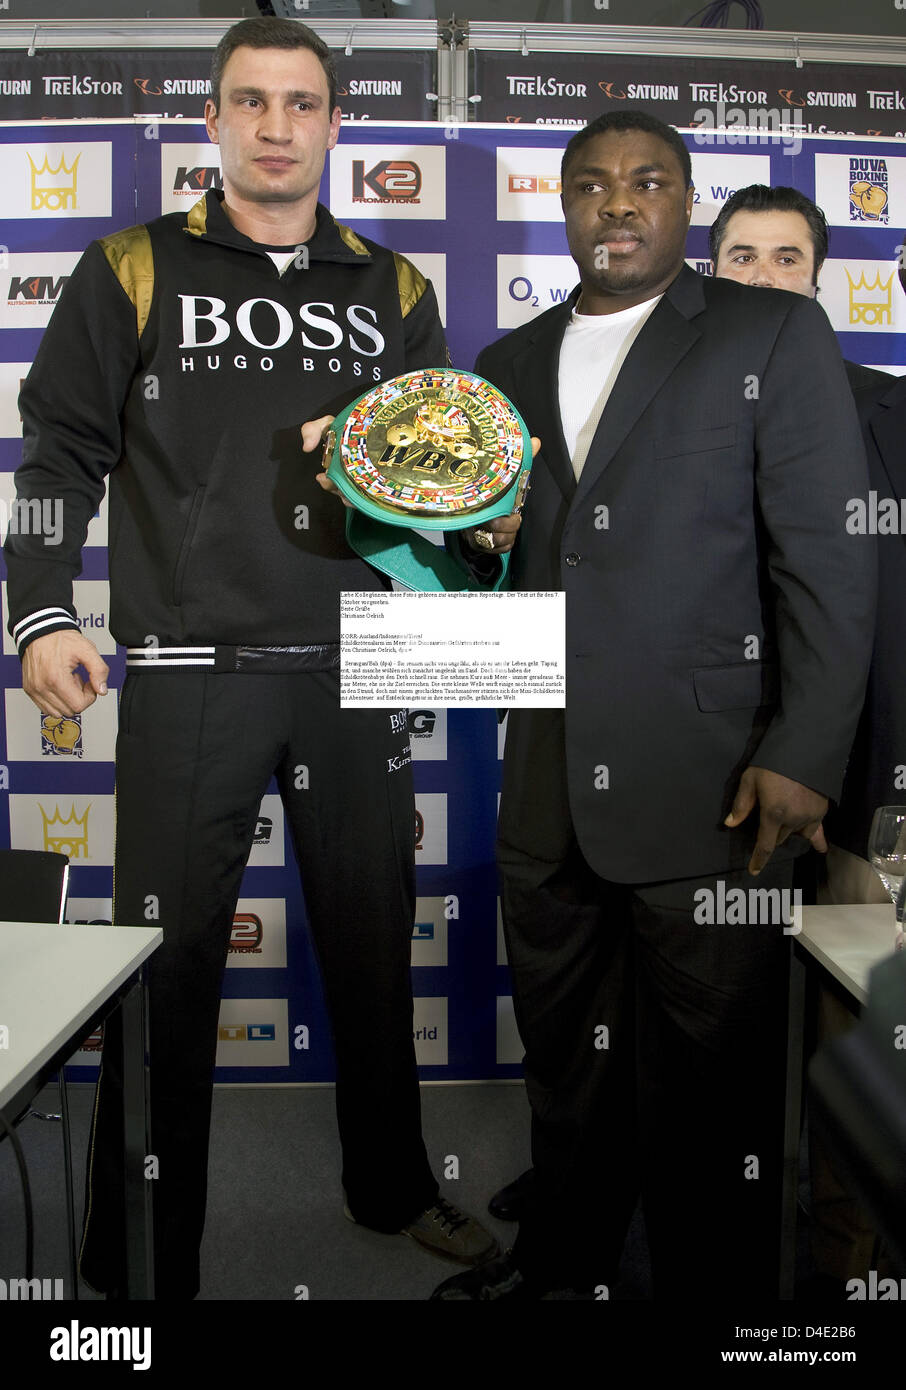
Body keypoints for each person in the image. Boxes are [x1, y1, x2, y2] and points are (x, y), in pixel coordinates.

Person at [4, 15, 496, 1300]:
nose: (278, 125)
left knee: (373, 945)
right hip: (184, 674)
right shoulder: (131, 265)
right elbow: (56, 459)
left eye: (304, 103)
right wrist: (44, 614)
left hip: (359, 670)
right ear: (213, 121)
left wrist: (467, 535)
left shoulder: (394, 290)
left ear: (337, 126)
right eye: (251, 102)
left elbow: (435, 488)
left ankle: (392, 1188)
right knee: (163, 973)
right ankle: (136, 1253)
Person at [430, 111, 876, 1300]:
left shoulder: (771, 331)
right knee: (569, 1073)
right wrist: (452, 542)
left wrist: (807, 753)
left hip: (716, 792)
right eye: (589, 185)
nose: (616, 203)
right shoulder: (506, 366)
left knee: (713, 1093)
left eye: (647, 183)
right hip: (547, 800)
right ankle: (562, 1270)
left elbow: (827, 564)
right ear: (562, 205)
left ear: (686, 205)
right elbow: (502, 586)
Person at [714, 186, 906, 1291]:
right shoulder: (650, 416)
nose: (765, 277)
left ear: (820, 280)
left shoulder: (883, 413)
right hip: (692, 778)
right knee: (702, 1021)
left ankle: (846, 1254)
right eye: (741, 256)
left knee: (850, 1030)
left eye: (789, 258)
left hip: (849, 777)